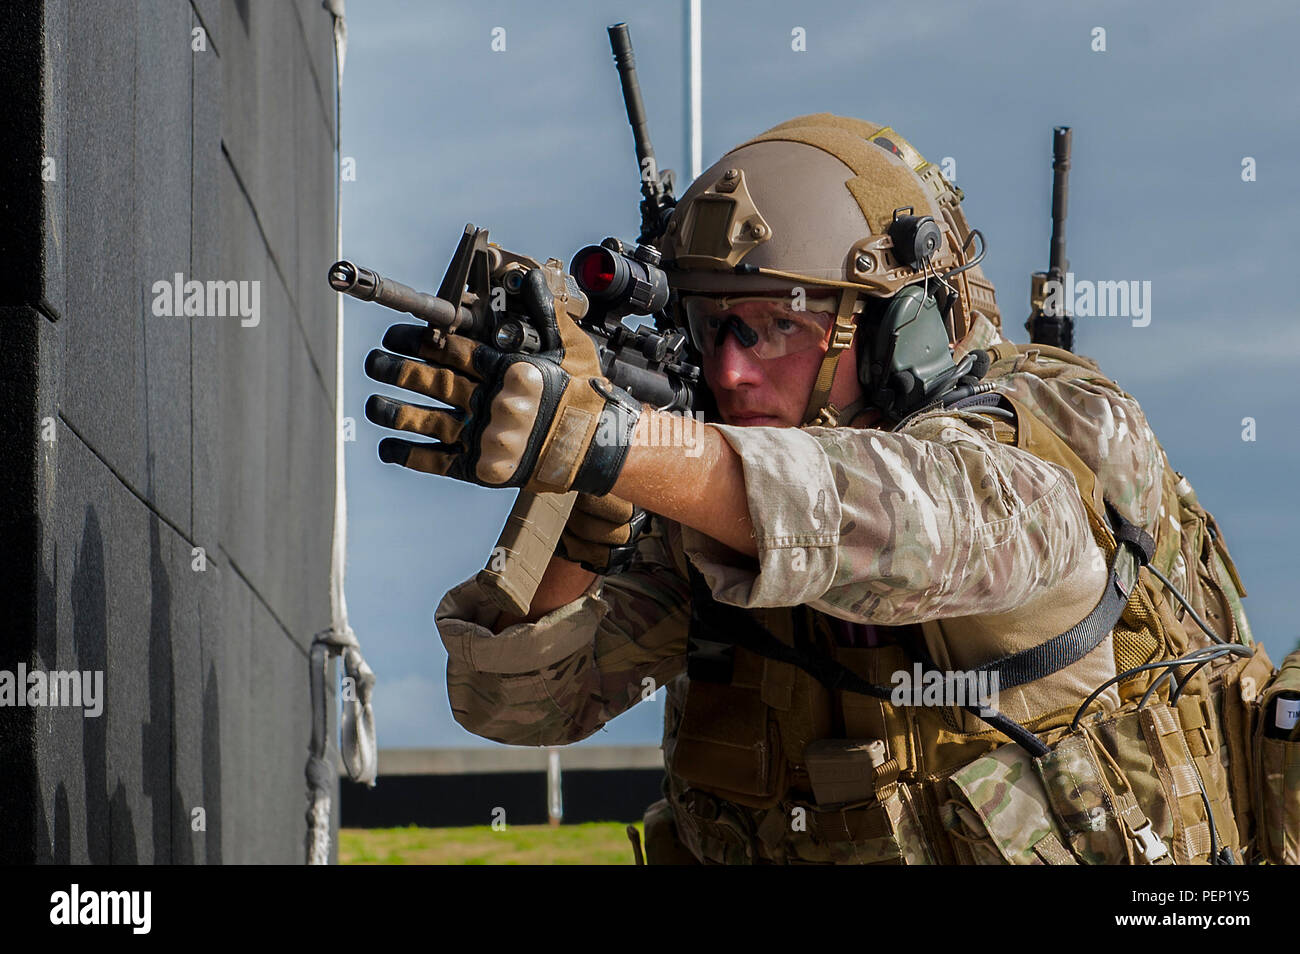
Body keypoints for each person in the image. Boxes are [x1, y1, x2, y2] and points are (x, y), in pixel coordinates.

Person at [365, 114, 1260, 864]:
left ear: (893, 329)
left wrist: (614, 443)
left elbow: (920, 523)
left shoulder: (1062, 424)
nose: (731, 372)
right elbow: (516, 705)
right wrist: (586, 513)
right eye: (710, 327)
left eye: (771, 328)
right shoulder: (712, 497)